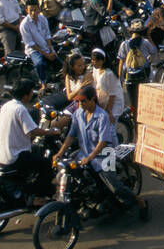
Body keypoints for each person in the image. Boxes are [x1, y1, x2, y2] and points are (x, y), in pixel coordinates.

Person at [53, 85, 149, 220]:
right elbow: (71, 135)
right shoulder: (78, 114)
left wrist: (90, 157)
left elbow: (103, 141)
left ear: (92, 99)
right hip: (85, 153)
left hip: (105, 154)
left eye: (83, 101)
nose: (80, 104)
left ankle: (140, 202)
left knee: (115, 187)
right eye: (79, 101)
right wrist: (60, 152)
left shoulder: (101, 116)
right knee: (65, 173)